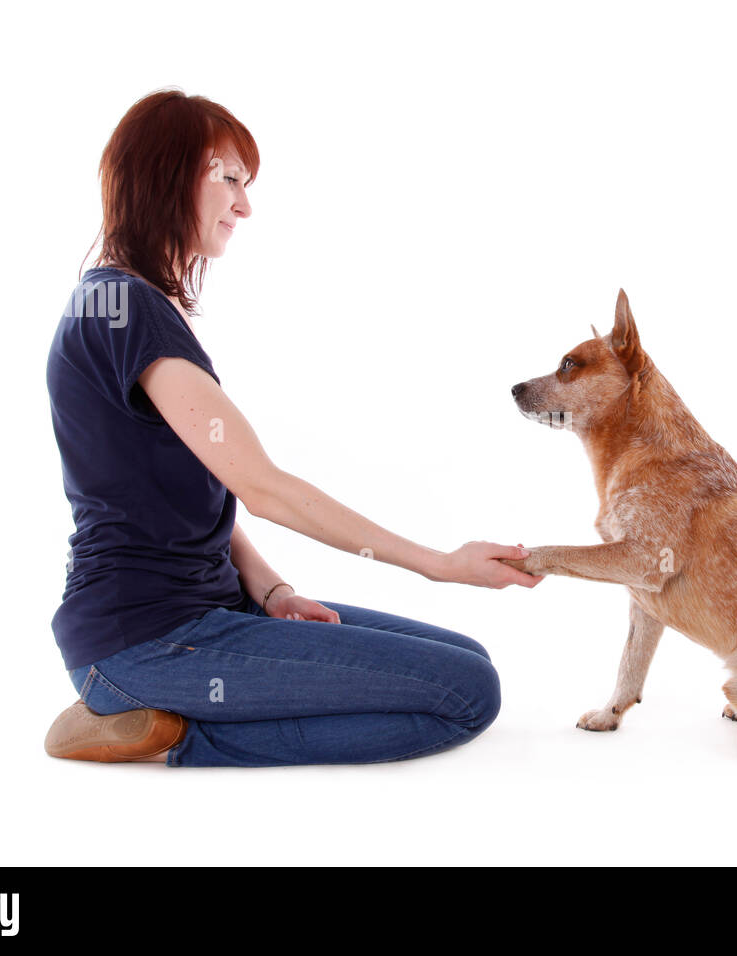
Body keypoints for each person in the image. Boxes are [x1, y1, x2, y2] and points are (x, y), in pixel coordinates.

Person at [44, 89, 541, 768]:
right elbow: (262, 487)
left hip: (206, 611)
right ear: (165, 175)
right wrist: (440, 564)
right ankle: (174, 729)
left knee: (464, 659)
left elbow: (196, 485)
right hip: (148, 639)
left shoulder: (116, 299)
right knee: (466, 693)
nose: (245, 206)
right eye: (228, 180)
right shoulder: (129, 309)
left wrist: (272, 590)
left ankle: (151, 699)